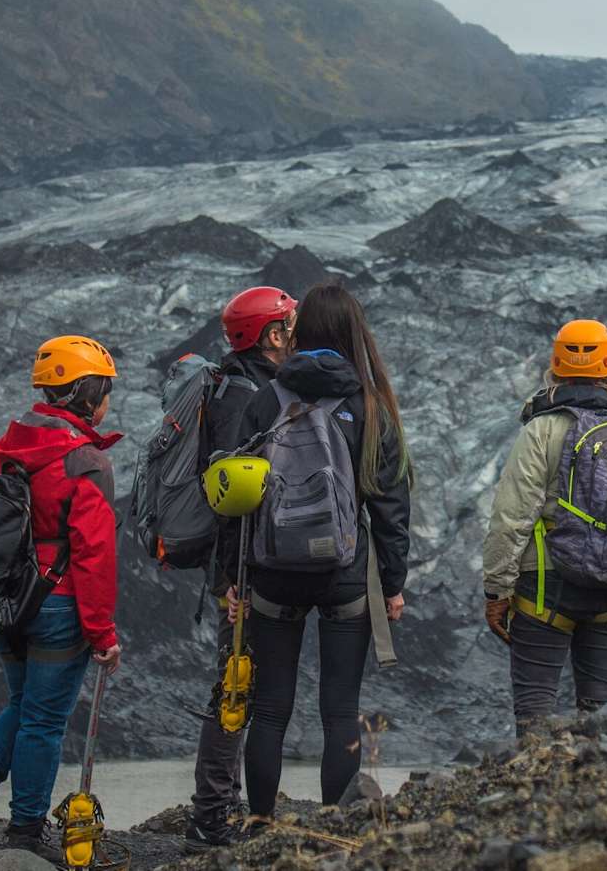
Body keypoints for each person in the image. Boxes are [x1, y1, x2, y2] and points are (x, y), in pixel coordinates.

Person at [227, 283, 412, 825]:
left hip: (272, 576)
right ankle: (335, 828)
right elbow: (390, 504)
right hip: (344, 575)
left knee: (269, 710)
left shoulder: (266, 400)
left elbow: (235, 494)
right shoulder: (368, 403)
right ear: (355, 334)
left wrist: (231, 578)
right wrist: (393, 584)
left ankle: (259, 825)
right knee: (339, 711)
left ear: (300, 332)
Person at [0, 336, 124, 861]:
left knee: (23, 703)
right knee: (44, 719)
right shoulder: (86, 462)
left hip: (5, 599)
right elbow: (93, 555)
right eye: (104, 388)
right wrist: (103, 634)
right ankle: (25, 831)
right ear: (86, 392)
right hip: (58, 603)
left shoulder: (10, 444)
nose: (108, 398)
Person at [482, 320, 607, 739]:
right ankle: (592, 797)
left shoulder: (541, 430)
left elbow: (511, 517)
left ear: (555, 368)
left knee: (535, 715)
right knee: (601, 719)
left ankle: (530, 794)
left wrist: (497, 590)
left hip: (546, 592)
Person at [183, 286, 298, 851]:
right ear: (272, 335)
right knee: (234, 686)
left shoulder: (242, 386)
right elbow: (228, 493)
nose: (296, 333)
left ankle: (222, 806)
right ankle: (211, 816)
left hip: (244, 565)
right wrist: (231, 580)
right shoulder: (244, 396)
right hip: (242, 572)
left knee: (241, 684)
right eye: (290, 325)